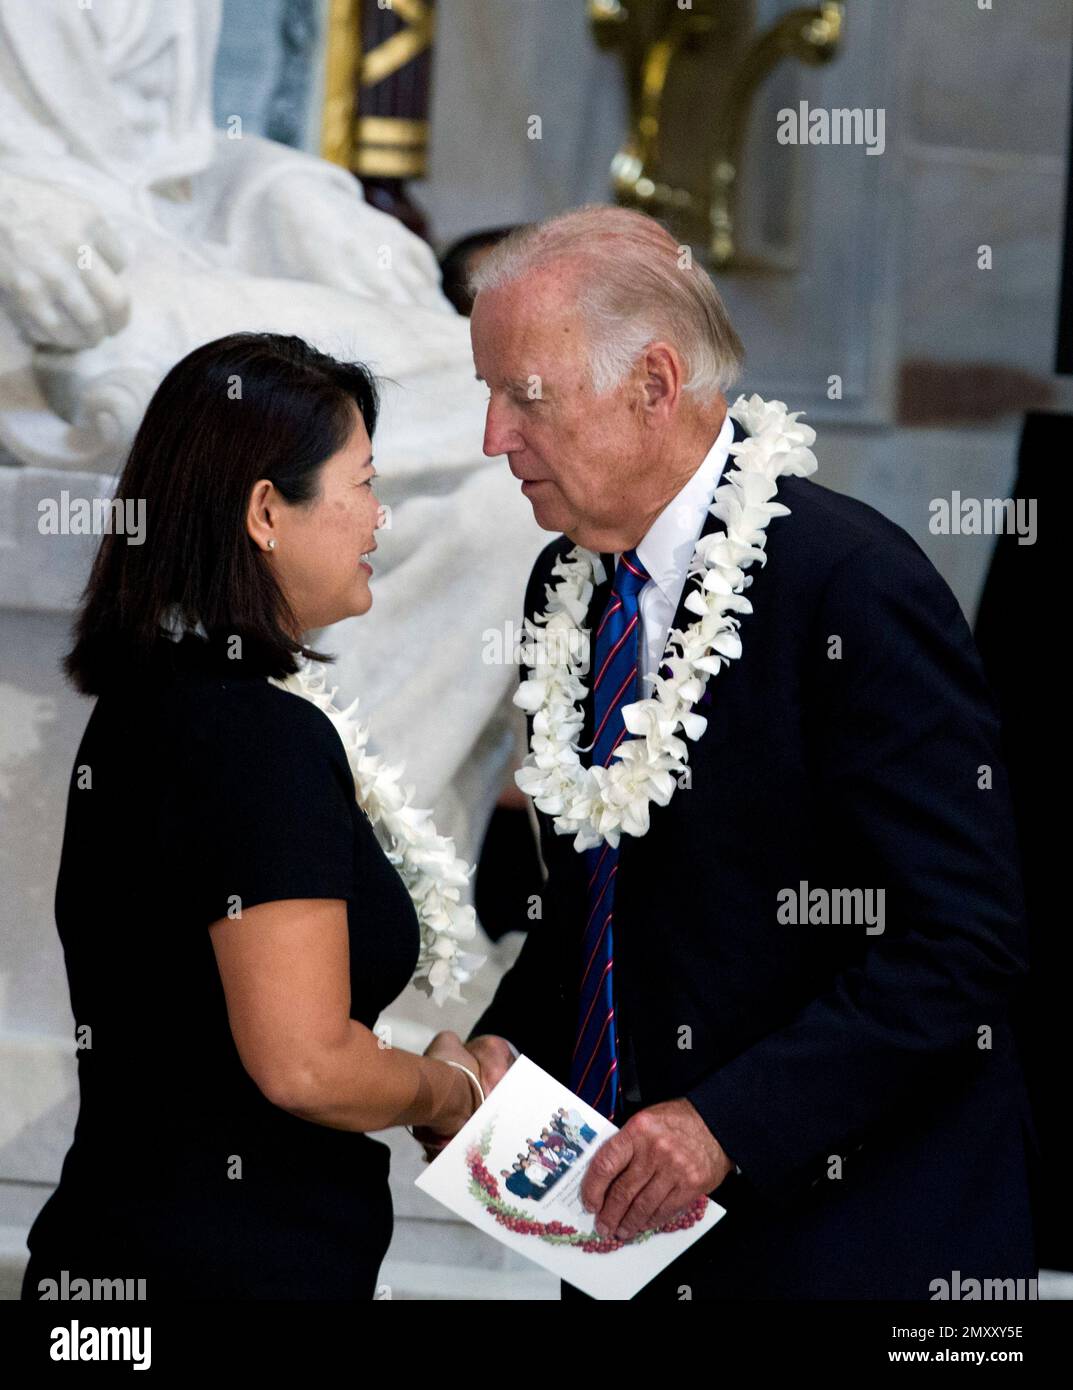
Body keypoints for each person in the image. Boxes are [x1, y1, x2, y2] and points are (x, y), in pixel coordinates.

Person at [455, 205, 1036, 1300]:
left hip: (852, 1243)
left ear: (653, 383)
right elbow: (600, 892)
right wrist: (503, 1048)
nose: (493, 437)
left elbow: (963, 939)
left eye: (522, 395)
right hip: (632, 1246)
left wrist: (727, 1121)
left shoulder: (849, 584)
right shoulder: (565, 587)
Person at [21, 332, 492, 1302]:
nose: (377, 515)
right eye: (360, 483)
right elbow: (306, 1065)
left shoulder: (155, 701)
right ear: (267, 510)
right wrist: (451, 1091)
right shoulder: (251, 736)